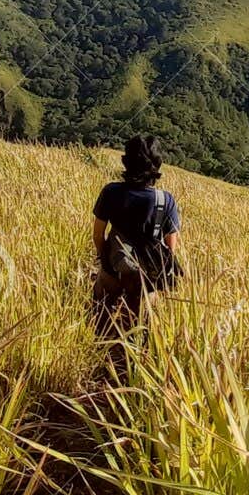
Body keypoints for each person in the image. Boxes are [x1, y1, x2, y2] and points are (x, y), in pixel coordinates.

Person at [90, 135, 182, 342]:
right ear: (157, 166)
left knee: (100, 315)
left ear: (126, 162)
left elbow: (98, 234)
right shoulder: (165, 200)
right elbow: (170, 247)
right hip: (146, 275)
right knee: (142, 329)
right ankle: (133, 364)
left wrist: (104, 259)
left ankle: (99, 351)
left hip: (114, 266)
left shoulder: (111, 191)